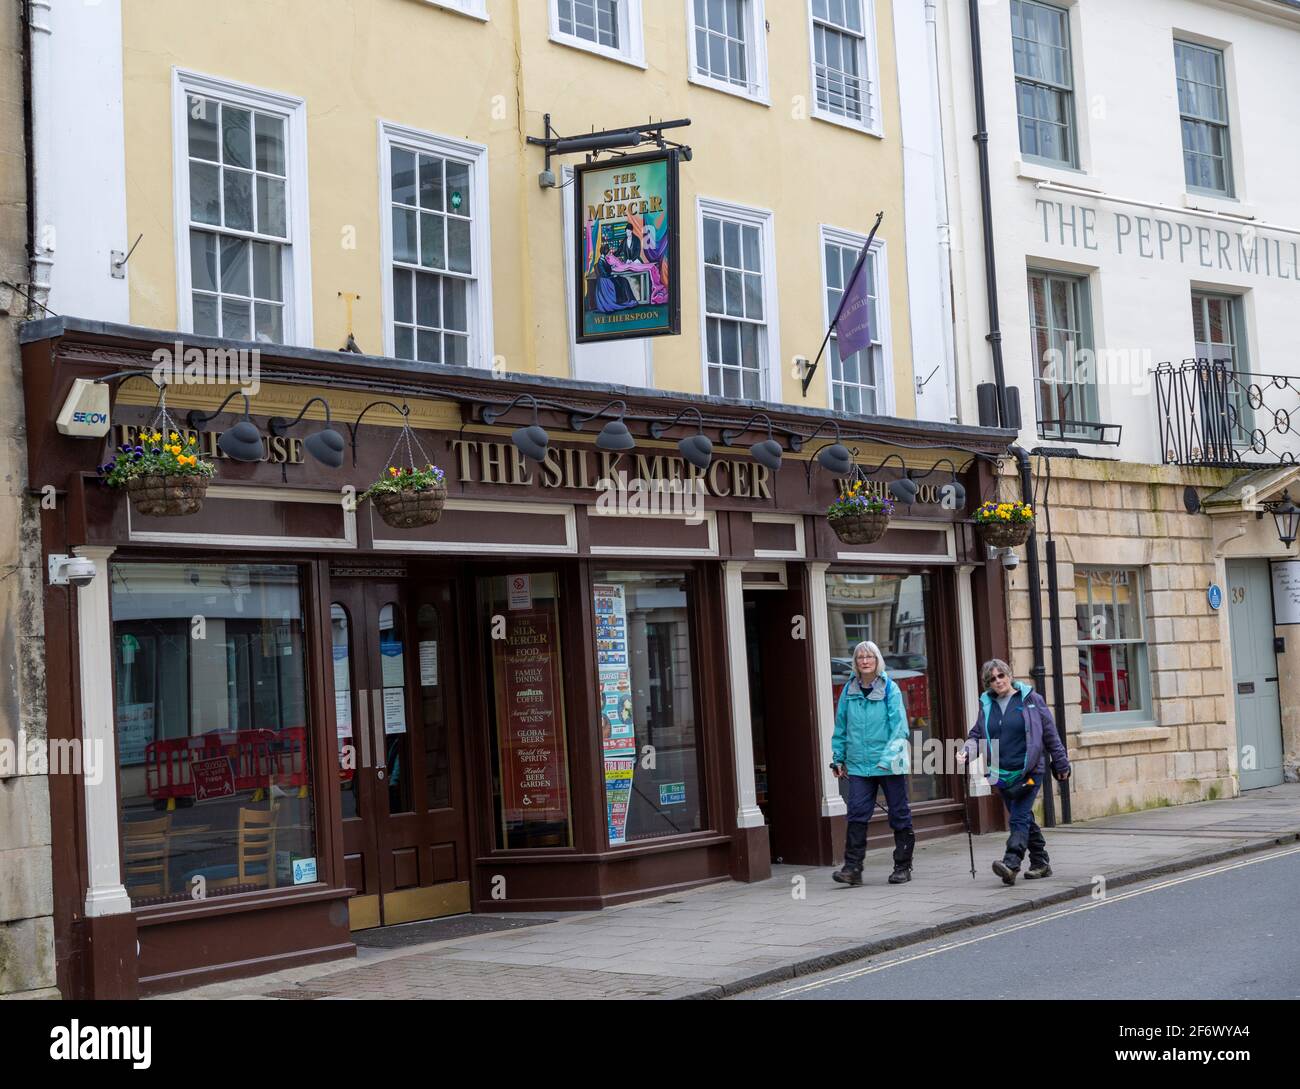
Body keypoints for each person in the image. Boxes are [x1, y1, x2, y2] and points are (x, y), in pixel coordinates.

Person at [956, 659, 1070, 885]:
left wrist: (1061, 764)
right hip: (1001, 773)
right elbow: (976, 735)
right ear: (987, 683)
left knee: (1018, 818)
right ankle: (1040, 862)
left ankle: (1011, 863)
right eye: (992, 679)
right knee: (1024, 817)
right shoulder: (987, 705)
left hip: (1029, 770)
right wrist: (966, 753)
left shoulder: (1031, 700)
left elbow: (1050, 734)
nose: (998, 681)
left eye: (1001, 676)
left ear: (1009, 675)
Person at [830, 640, 915, 885]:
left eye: (869, 657)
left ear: (877, 661)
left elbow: (899, 728)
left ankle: (902, 866)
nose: (865, 661)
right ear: (856, 663)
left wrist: (886, 759)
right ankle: (852, 869)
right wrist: (838, 758)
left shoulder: (890, 689)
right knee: (856, 814)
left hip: (889, 763)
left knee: (899, 814)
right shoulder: (849, 690)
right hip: (858, 765)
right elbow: (841, 728)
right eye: (860, 658)